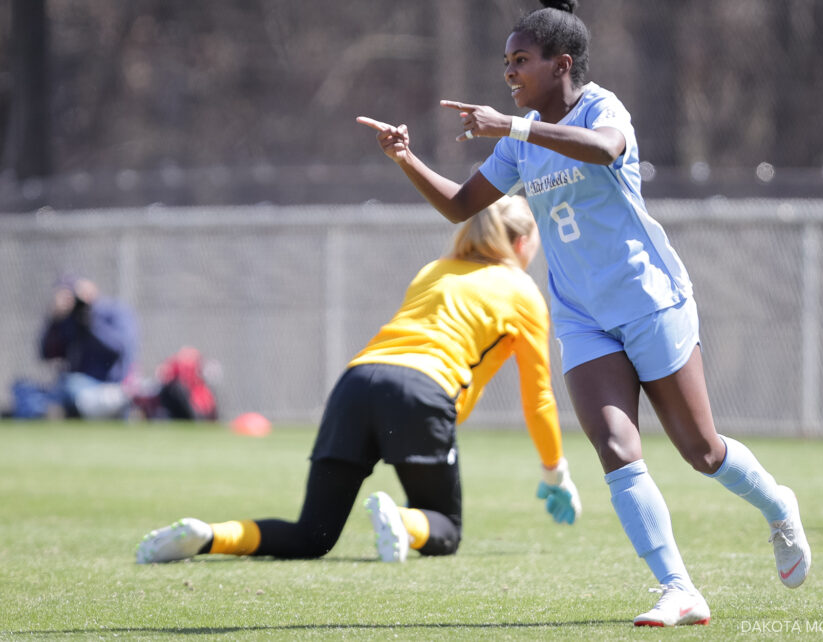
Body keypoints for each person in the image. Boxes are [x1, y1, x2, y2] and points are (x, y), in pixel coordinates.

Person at [356, 0, 810, 628]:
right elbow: (461, 206)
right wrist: (405, 156)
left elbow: (604, 148)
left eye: (521, 61)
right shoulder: (521, 141)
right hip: (583, 315)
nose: (509, 73)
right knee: (617, 449)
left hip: (649, 299)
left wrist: (512, 123)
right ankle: (678, 588)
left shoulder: (602, 108)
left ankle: (778, 507)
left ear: (560, 65)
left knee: (701, 452)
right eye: (507, 63)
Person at [136, 195, 582, 565]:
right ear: (522, 243)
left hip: (356, 382)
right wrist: (555, 472)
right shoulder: (522, 291)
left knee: (312, 534)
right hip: (421, 392)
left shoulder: (436, 270)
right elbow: (538, 396)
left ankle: (206, 534)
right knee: (444, 528)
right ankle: (402, 521)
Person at [10, 276, 139, 419]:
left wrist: (90, 321)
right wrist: (55, 321)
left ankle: (69, 409)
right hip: (74, 386)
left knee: (72, 386)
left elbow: (119, 348)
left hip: (107, 385)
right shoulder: (72, 319)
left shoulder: (113, 311)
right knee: (23, 388)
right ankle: (54, 410)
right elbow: (47, 353)